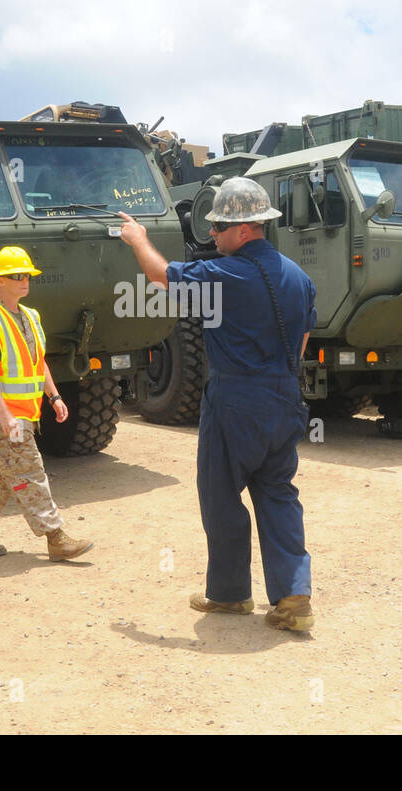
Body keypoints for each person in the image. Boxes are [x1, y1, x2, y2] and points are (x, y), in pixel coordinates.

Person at [119, 177, 317, 631]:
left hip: (235, 402)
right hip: (284, 398)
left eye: (218, 227)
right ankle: (293, 596)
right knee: (278, 492)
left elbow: (160, 276)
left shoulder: (226, 275)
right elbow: (303, 341)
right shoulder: (300, 278)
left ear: (244, 228)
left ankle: (230, 596)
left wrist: (139, 239)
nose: (212, 235)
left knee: (220, 494)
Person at [0, 246, 94, 562]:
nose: (23, 281)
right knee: (29, 471)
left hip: (26, 412)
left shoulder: (31, 316)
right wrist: (5, 415)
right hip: (1, 416)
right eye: (15, 276)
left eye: (26, 275)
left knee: (0, 476)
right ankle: (55, 537)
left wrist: (55, 396)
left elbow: (38, 362)